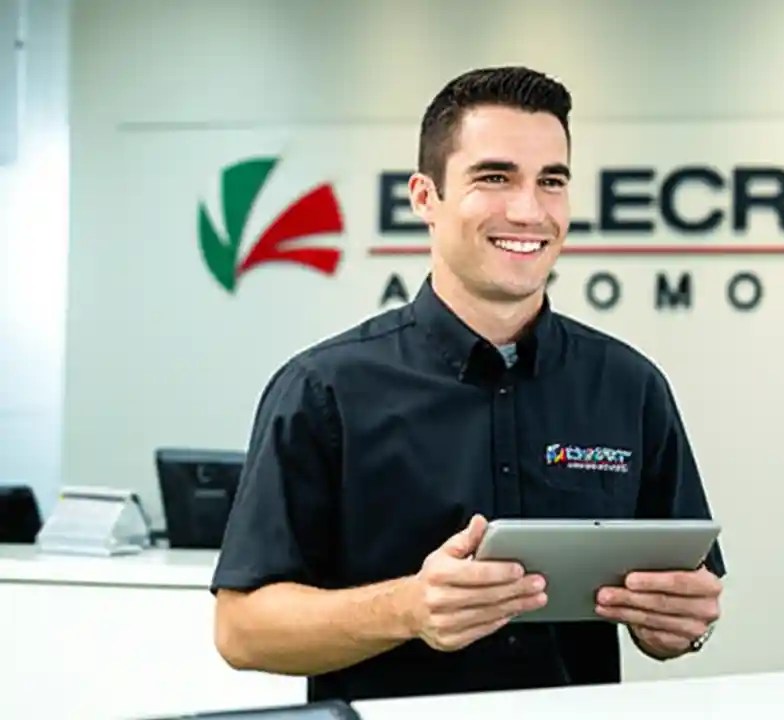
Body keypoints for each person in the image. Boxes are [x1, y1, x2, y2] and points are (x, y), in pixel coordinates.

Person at [211, 66, 726, 704]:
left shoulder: (630, 386)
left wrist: (678, 624)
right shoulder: (324, 390)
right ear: (425, 197)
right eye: (494, 177)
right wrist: (407, 609)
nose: (529, 210)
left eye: (552, 182)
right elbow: (242, 629)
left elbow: (678, 612)